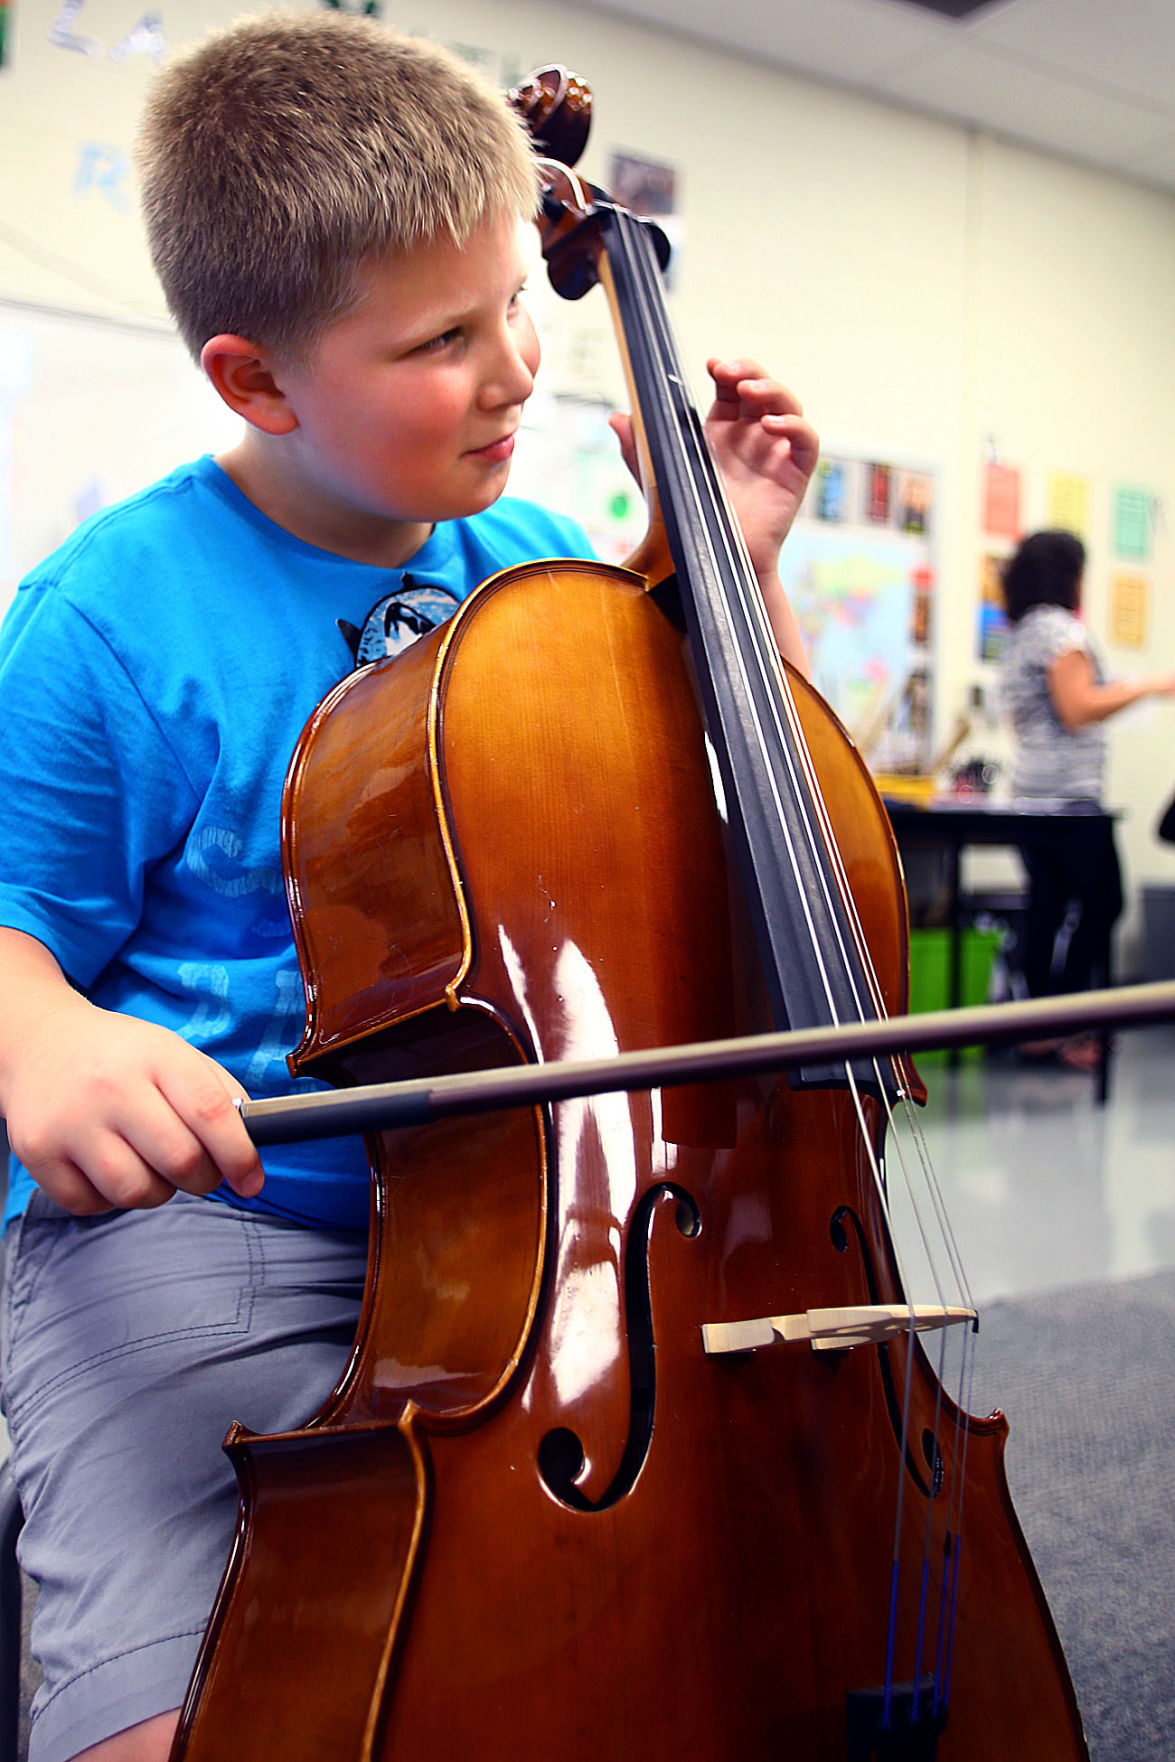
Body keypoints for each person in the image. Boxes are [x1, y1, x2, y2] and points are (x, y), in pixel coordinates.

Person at [0, 14, 819, 1762]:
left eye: (517, 302)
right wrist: (38, 1032)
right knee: (203, 1706)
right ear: (257, 383)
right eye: (444, 339)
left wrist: (725, 577)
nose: (518, 367)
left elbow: (705, 835)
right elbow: (10, 935)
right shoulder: (106, 622)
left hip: (539, 1209)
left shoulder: (538, 569)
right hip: (223, 1222)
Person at [999, 528, 1175, 1068]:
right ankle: (1071, 1030)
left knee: (1048, 909)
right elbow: (1077, 709)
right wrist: (1148, 685)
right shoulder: (1059, 629)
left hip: (1032, 796)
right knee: (1102, 905)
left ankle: (1040, 1030)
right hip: (1070, 801)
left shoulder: (1021, 632)